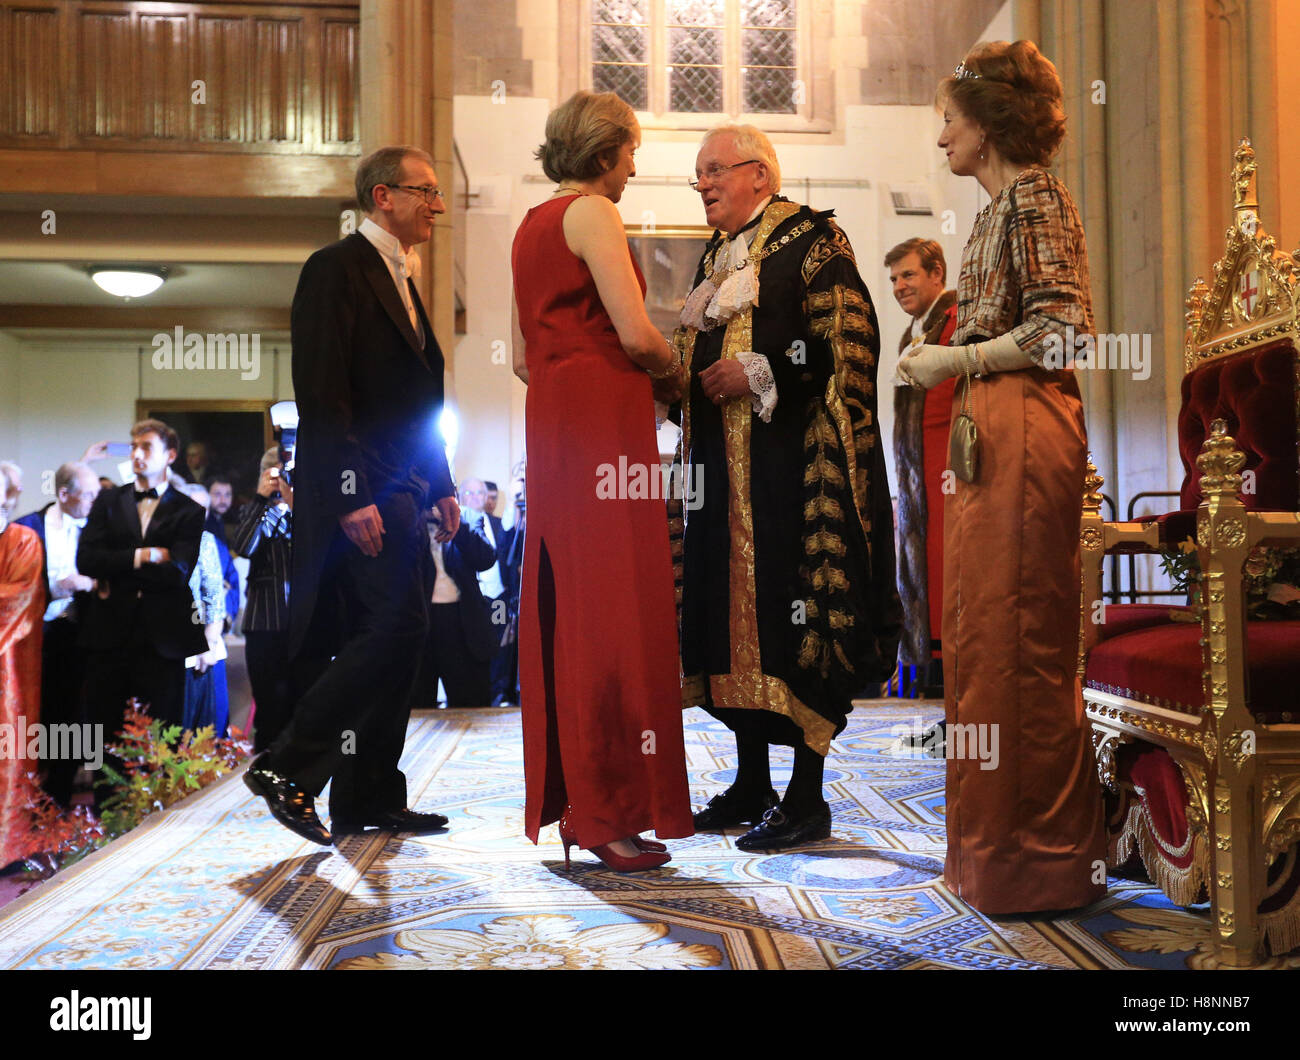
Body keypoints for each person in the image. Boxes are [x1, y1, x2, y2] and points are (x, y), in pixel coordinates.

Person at [897, 39, 1105, 914]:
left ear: (988, 123)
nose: (942, 135)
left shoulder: (1037, 195)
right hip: (992, 426)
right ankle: (991, 857)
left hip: (1023, 425)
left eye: (950, 118)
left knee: (1020, 640)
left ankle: (1039, 863)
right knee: (982, 640)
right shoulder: (988, 214)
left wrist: (951, 360)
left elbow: (1065, 332)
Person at [675, 125, 898, 852]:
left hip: (792, 475)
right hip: (721, 474)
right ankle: (750, 783)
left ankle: (807, 797)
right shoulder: (716, 256)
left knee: (795, 623)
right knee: (725, 623)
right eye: (697, 174)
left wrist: (761, 368)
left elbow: (846, 346)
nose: (702, 184)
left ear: (759, 175)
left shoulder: (816, 242)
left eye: (714, 171)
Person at [244, 144, 461, 847]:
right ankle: (288, 767)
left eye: (436, 193)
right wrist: (348, 494)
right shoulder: (334, 268)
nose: (435, 204)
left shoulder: (403, 276)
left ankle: (370, 795)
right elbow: (323, 391)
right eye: (423, 191)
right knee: (391, 630)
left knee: (406, 639)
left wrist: (443, 485)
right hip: (362, 490)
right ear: (382, 198)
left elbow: (417, 399)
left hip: (405, 487)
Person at [512, 90, 692, 871]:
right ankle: (606, 814)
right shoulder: (592, 214)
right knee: (613, 615)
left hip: (555, 419)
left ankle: (580, 805)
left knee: (569, 609)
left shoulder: (528, 226)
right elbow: (635, 331)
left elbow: (521, 358)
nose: (631, 168)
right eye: (629, 153)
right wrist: (676, 373)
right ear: (602, 151)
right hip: (603, 421)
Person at [75, 420, 208, 810]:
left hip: (163, 640)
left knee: (161, 737)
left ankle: (157, 821)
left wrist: (117, 566)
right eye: (133, 446)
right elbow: (87, 560)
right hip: (107, 637)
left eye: (145, 446)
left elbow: (178, 572)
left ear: (169, 455)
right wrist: (144, 555)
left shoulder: (189, 510)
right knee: (104, 735)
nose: (135, 454)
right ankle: (106, 821)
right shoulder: (108, 501)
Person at [885, 238, 957, 713]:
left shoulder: (957, 322)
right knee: (919, 572)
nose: (899, 286)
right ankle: (923, 679)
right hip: (915, 476)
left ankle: (953, 678)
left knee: (948, 571)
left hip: (948, 470)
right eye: (893, 279)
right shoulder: (912, 334)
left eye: (908, 275)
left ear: (937, 274)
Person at [14, 462, 100, 804]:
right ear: (64, 495)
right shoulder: (27, 529)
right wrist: (52, 589)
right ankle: (31, 799)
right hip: (36, 637)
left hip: (81, 637)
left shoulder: (98, 529)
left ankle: (64, 797)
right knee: (39, 719)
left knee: (76, 720)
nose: (95, 502)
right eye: (89, 494)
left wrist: (88, 584)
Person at [232, 447, 294, 753]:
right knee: (269, 704)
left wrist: (294, 502)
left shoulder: (305, 510)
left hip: (302, 622)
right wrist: (261, 500)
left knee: (301, 701)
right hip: (263, 621)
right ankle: (266, 769)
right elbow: (244, 547)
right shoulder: (252, 510)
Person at [0, 463, 46, 869]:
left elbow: (18, 600)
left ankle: (8, 849)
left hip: (8, 668)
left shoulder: (23, 540)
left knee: (9, 752)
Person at [420, 508, 499, 707]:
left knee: (472, 707)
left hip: (463, 623)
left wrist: (453, 522)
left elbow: (485, 559)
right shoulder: (407, 517)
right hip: (417, 621)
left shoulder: (469, 518)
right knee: (415, 712)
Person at [180, 484, 229, 736]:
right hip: (164, 645)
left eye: (203, 509)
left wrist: (208, 641)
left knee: (201, 732)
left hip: (198, 648)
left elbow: (214, 596)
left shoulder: (205, 540)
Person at [458, 477, 513, 702]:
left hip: (498, 597)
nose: (475, 498)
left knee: (500, 645)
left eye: (480, 493)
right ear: (460, 497)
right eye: (469, 493)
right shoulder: (455, 524)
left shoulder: (499, 524)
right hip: (469, 600)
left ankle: (499, 695)